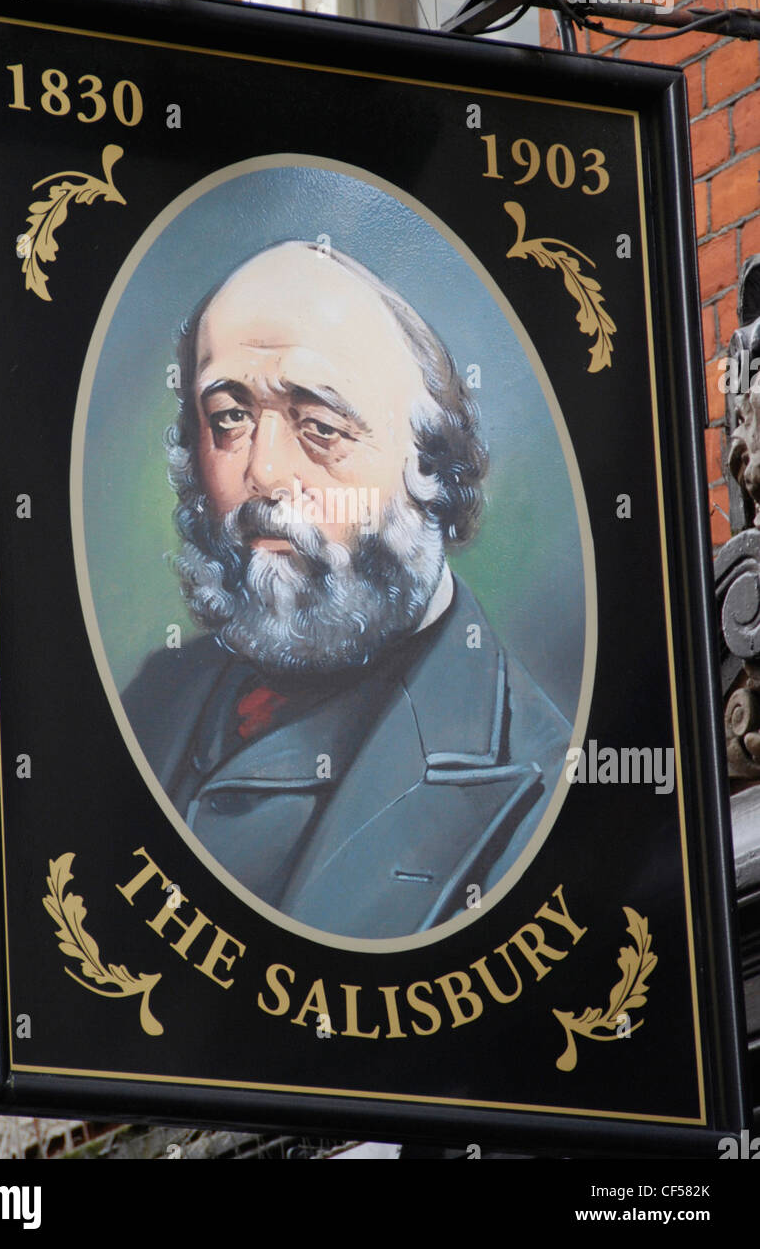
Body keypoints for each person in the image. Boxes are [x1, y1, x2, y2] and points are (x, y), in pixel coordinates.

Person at [123, 241, 571, 939]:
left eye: (321, 427)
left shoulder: (538, 779)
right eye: (229, 418)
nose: (264, 472)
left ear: (430, 463)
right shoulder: (156, 698)